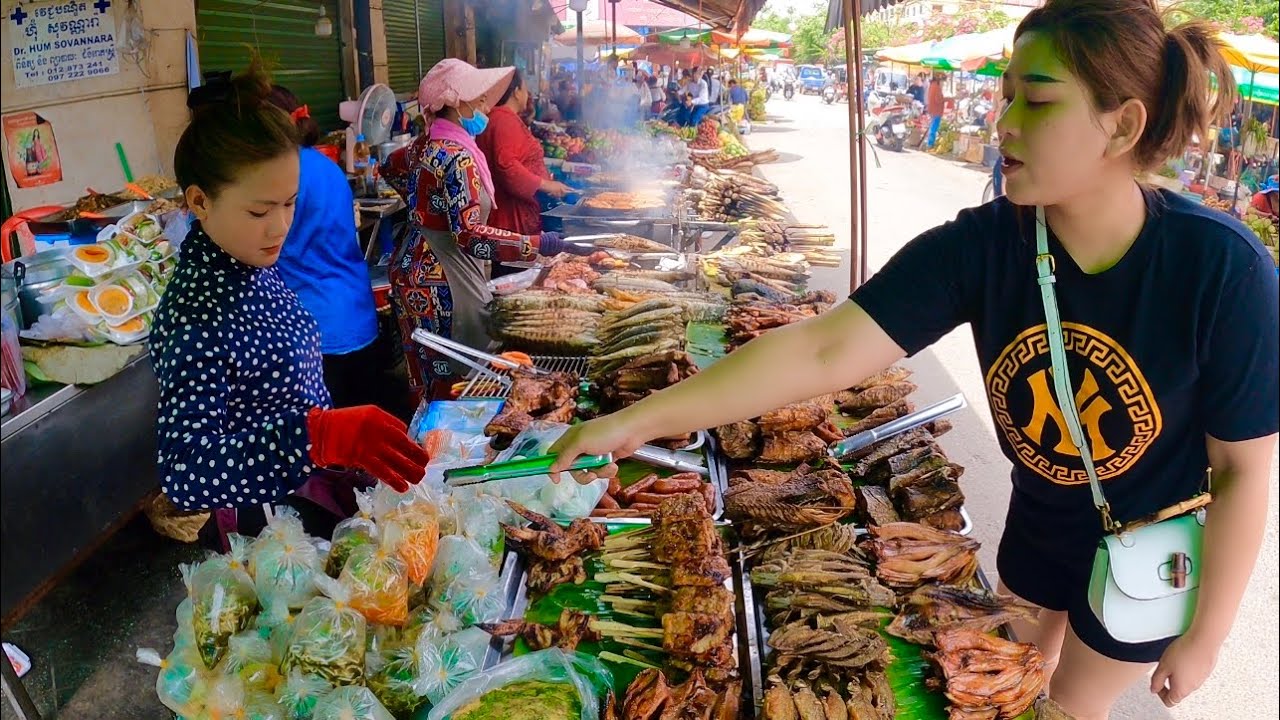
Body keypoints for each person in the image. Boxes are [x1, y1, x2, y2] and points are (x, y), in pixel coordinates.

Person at [551, 2, 1278, 719]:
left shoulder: (1219, 269)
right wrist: (635, 421)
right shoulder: (984, 245)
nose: (1004, 122)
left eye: (1038, 98)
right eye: (1006, 94)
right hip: (1038, 521)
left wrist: (1208, 635)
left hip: (1143, 550)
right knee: (1009, 685)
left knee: (1069, 706)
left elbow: (1245, 467)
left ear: (1123, 123)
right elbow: (823, 346)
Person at [155, 61, 430, 546]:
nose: (280, 226)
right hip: (265, 535)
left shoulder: (250, 264)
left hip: (310, 496)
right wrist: (318, 436)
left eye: (289, 204)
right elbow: (185, 472)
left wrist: (333, 441)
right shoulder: (197, 314)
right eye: (260, 210)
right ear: (199, 202)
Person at [381, 59, 589, 400]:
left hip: (410, 270)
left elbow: (388, 167)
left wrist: (426, 211)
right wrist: (539, 244)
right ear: (457, 103)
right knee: (464, 377)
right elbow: (470, 236)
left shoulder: (422, 145)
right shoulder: (458, 156)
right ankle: (444, 447)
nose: (483, 108)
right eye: (477, 100)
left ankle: (424, 441)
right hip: (444, 279)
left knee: (425, 374)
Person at [262, 85, 406, 418]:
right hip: (357, 312)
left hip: (318, 330)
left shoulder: (279, 176)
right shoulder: (325, 166)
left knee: (333, 449)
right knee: (363, 436)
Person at [476, 68, 574, 240]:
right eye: (526, 89)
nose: (528, 95)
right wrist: (545, 184)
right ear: (516, 92)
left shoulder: (500, 118)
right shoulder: (503, 120)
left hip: (512, 218)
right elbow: (507, 167)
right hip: (512, 221)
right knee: (514, 266)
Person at [925, 71, 946, 148]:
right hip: (936, 110)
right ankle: (930, 144)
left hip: (932, 110)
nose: (943, 83)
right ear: (939, 80)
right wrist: (947, 99)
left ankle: (930, 144)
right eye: (942, 81)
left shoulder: (932, 85)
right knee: (933, 128)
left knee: (932, 127)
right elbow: (938, 100)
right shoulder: (936, 87)